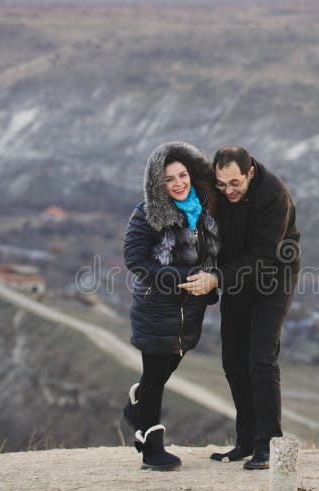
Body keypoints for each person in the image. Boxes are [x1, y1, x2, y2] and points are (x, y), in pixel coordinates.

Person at [180, 146, 300, 470]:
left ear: (248, 173)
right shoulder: (219, 189)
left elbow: (264, 256)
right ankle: (246, 441)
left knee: (260, 359)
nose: (228, 191)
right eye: (221, 185)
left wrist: (216, 278)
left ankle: (269, 444)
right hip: (234, 277)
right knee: (233, 361)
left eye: (234, 184)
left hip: (272, 279)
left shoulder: (275, 196)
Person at [121, 141, 220, 471]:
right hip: (157, 307)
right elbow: (135, 260)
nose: (179, 183)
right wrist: (182, 275)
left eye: (183, 175)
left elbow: (219, 255)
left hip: (190, 309)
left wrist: (213, 277)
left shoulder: (206, 210)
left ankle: (137, 409)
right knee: (154, 374)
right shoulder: (148, 213)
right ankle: (151, 450)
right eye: (169, 179)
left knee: (162, 373)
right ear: (156, 183)